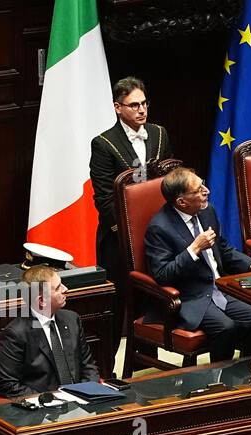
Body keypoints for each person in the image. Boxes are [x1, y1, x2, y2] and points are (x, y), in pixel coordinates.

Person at [142, 165, 251, 363]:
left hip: (220, 288)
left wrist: (250, 263)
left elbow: (223, 248)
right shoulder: (159, 228)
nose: (206, 191)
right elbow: (163, 274)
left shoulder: (207, 211)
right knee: (226, 327)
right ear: (182, 201)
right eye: (198, 190)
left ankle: (247, 374)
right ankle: (220, 383)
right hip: (191, 296)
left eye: (203, 185)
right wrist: (193, 249)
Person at [90, 77, 173, 283]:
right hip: (120, 237)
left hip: (160, 230)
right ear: (118, 107)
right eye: (134, 105)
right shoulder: (103, 143)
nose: (142, 110)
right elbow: (104, 199)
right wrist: (129, 231)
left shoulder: (159, 133)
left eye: (144, 103)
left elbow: (171, 179)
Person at [0, 265, 99, 398]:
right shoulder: (16, 334)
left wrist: (87, 393)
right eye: (58, 288)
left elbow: (88, 366)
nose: (65, 289)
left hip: (81, 402)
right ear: (42, 301)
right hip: (44, 410)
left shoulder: (72, 319)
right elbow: (8, 385)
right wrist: (50, 400)